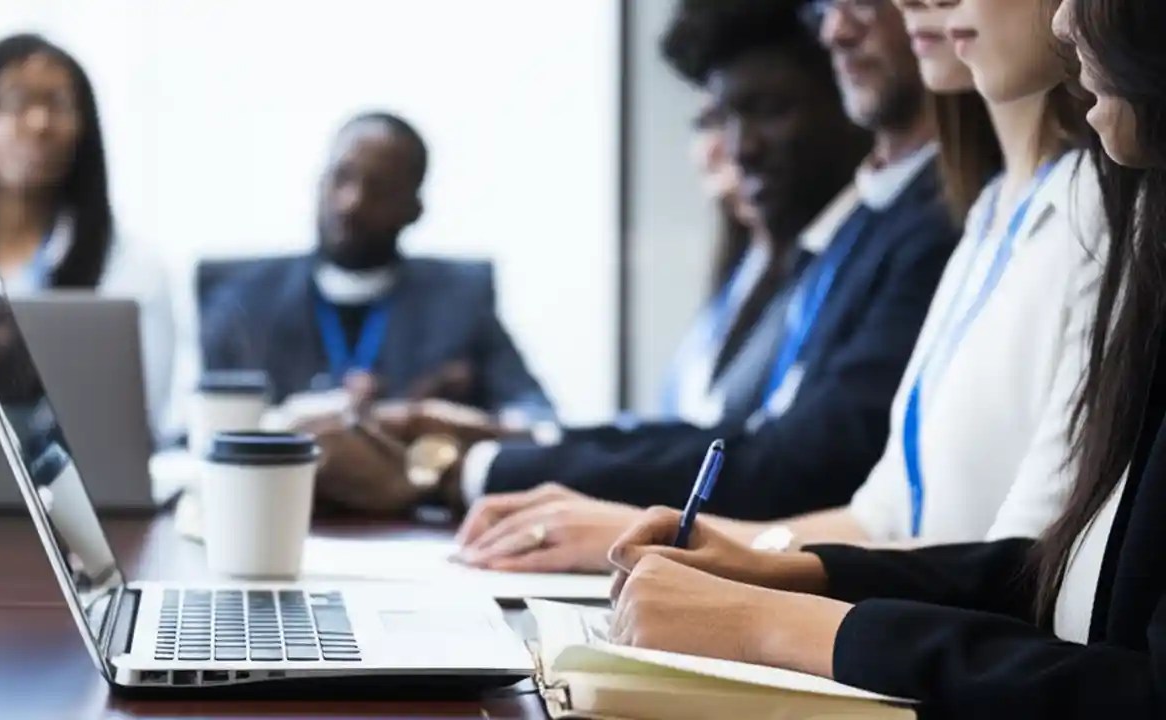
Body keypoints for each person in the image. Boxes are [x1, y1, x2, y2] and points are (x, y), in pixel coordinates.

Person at [607, 0, 1166, 715]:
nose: (1064, 22)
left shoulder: (1105, 214)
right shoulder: (993, 211)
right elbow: (1055, 573)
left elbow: (1128, 679)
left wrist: (775, 620)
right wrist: (779, 572)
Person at [454, 0, 961, 571]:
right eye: (719, 120)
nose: (740, 149)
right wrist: (512, 450)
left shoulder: (930, 224)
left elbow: (804, 464)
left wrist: (491, 468)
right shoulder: (851, 237)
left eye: (769, 111)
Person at [0, 34, 177, 441]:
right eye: (17, 101)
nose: (40, 123)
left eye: (58, 104)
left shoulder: (133, 269)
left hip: (80, 499)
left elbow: (140, 424)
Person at [198, 112, 554, 423]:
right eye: (342, 177)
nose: (352, 203)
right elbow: (199, 431)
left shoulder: (459, 302)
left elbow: (534, 413)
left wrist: (450, 421)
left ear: (414, 210)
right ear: (320, 182)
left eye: (379, 189)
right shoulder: (245, 301)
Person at [658, 1, 815, 427]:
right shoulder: (735, 278)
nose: (731, 146)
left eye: (763, 112)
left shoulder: (813, 270)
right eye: (711, 123)